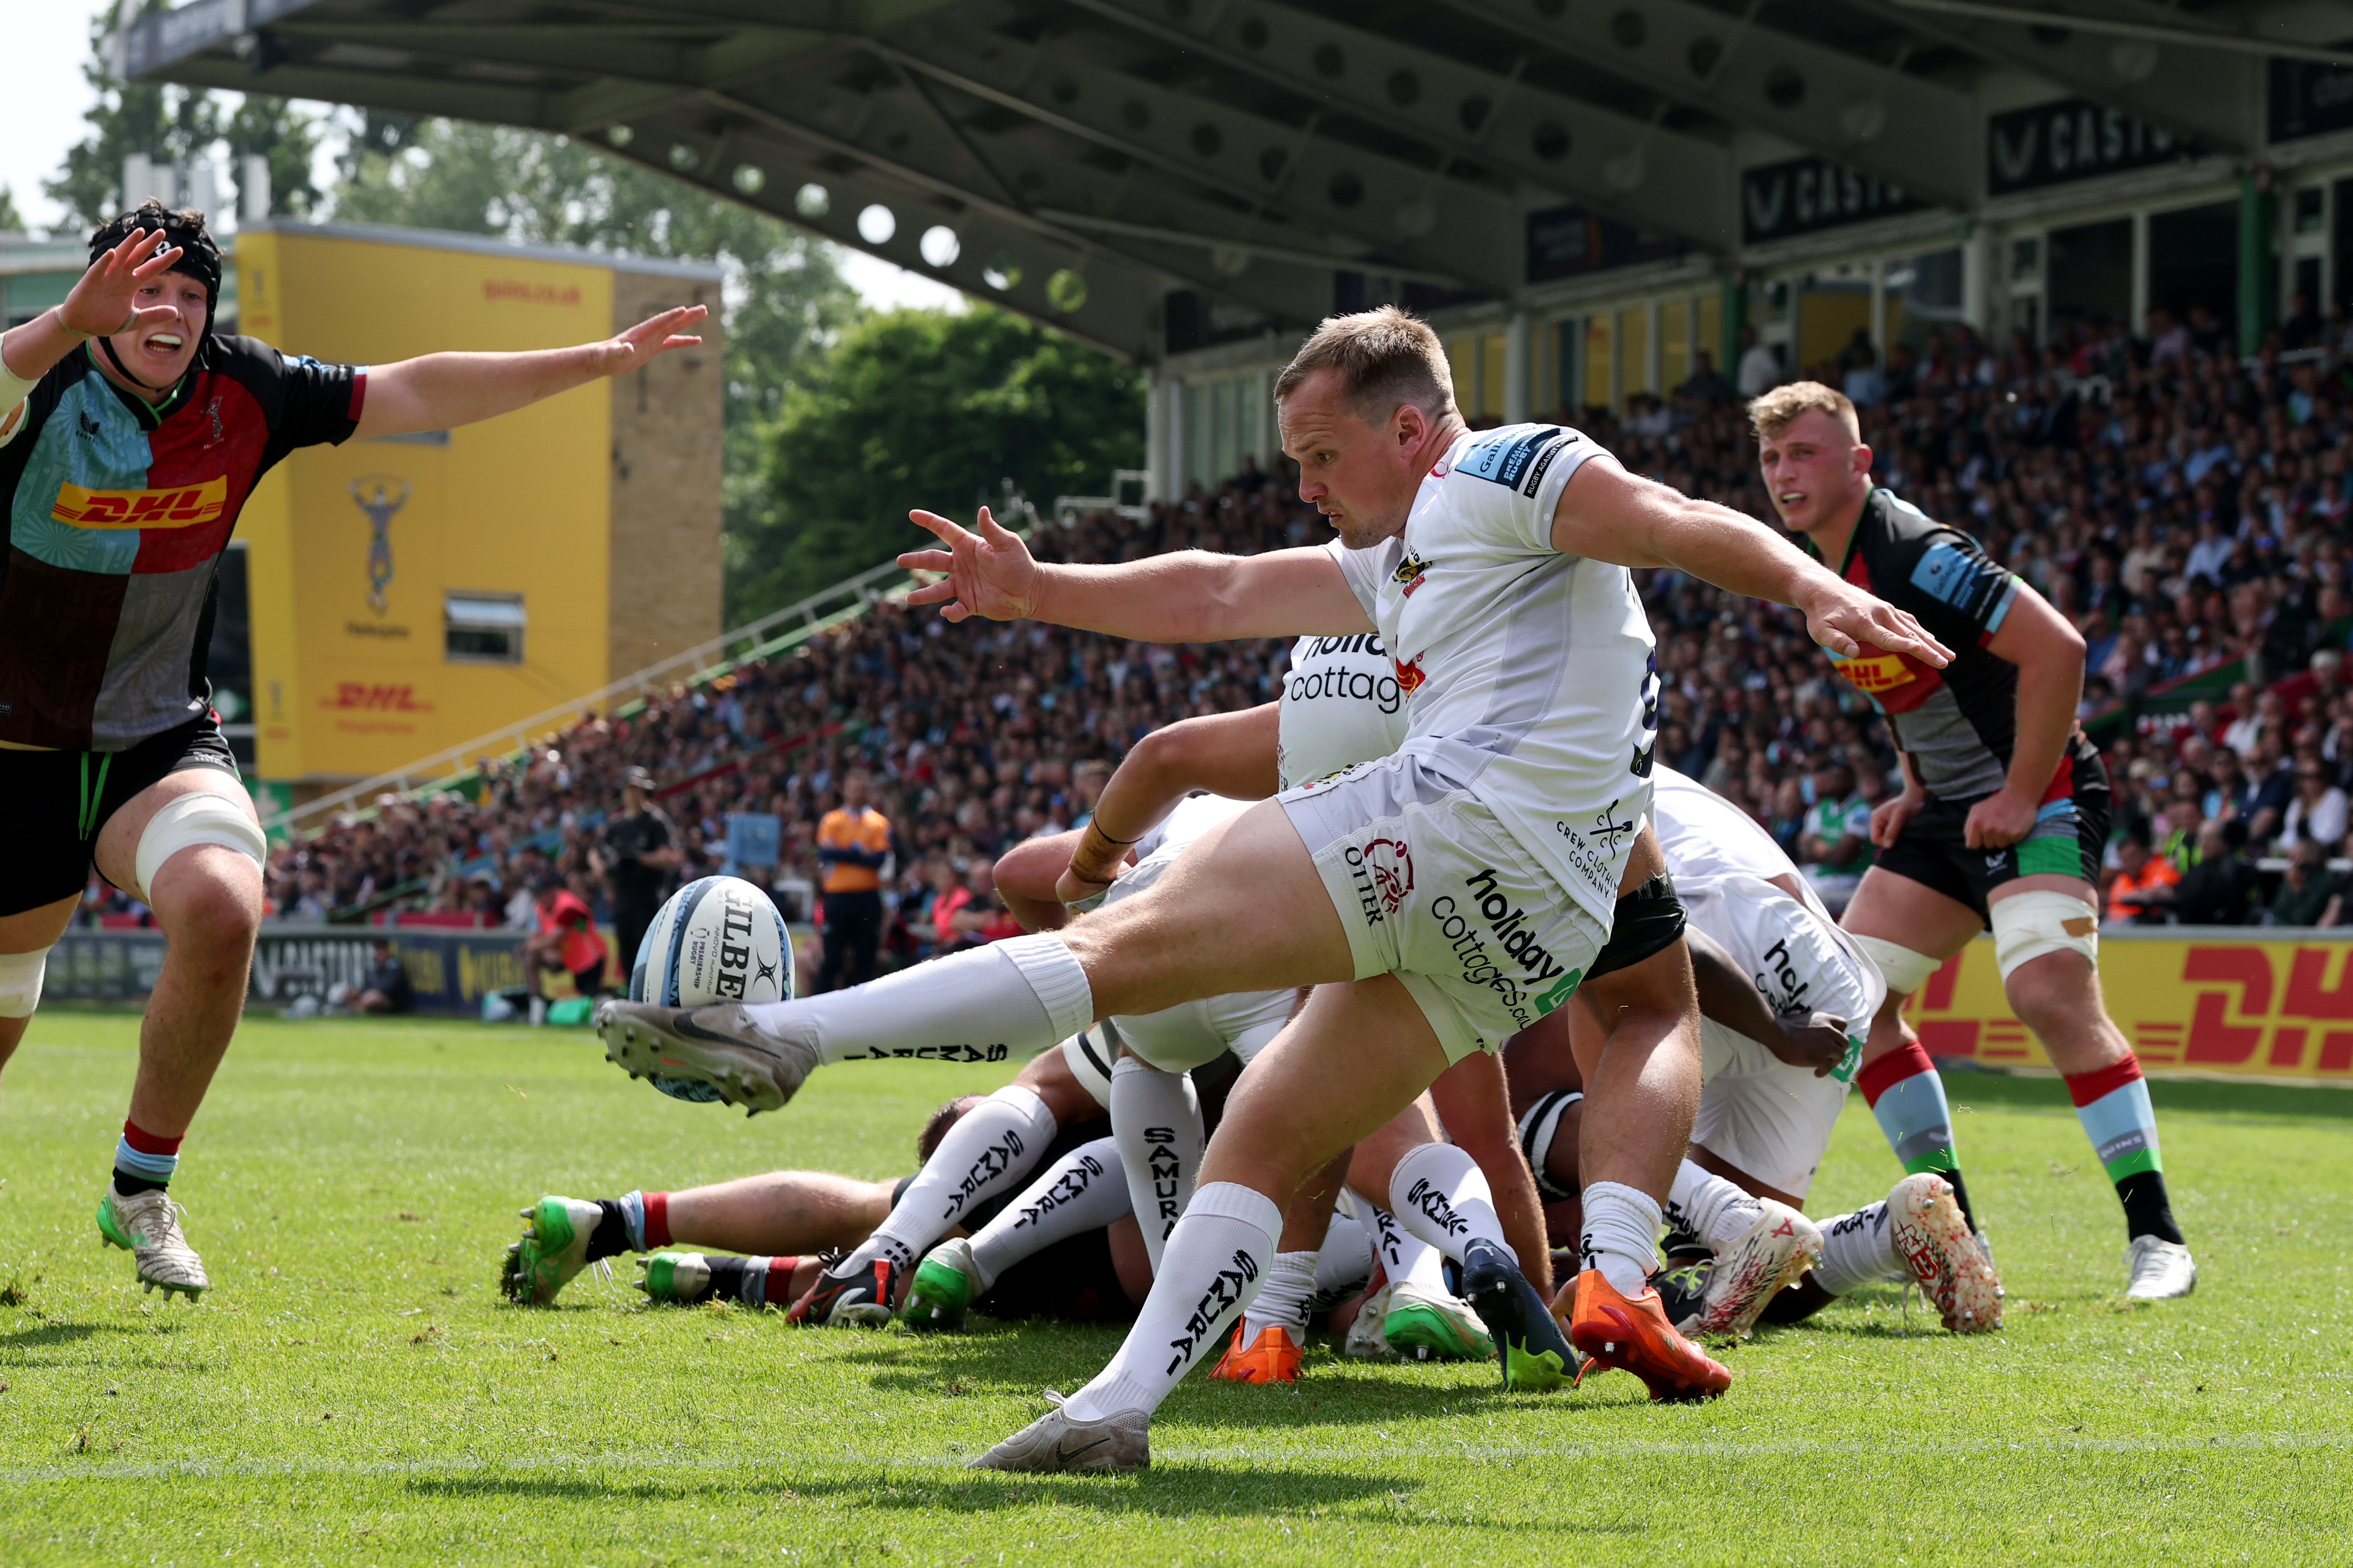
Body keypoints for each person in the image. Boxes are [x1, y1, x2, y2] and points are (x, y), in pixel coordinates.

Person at [600, 305, 1945, 1470]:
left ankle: (789, 1037)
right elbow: (1224, 587)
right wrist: (1037, 588)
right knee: (1262, 1137)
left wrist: (1805, 590)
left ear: (1411, 428)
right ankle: (1122, 1406)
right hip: (1531, 920)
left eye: (1320, 453)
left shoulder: (1500, 468)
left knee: (1127, 944)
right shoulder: (1404, 557)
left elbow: (1666, 517)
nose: (1306, 482)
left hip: (1468, 821)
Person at [0, 201, 704, 1300]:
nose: (169, 311)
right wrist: (54, 326)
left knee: (225, 904)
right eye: (142, 288)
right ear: (95, 297)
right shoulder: (36, 381)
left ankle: (142, 1188)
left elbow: (417, 387)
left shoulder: (248, 390)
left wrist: (596, 358)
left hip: (157, 739)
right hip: (15, 747)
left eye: (189, 294)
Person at [1753, 379, 2197, 1302]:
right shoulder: (1814, 573)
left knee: (2045, 989)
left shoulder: (1916, 550)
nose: (1783, 473)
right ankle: (1951, 1229)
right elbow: (1908, 685)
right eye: (1770, 457)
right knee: (1856, 1001)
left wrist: (2018, 789)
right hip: (1947, 810)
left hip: (2035, 795)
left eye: (1802, 452)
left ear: (1856, 463)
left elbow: (2058, 649)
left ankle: (2157, 1236)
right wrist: (1912, 785)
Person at [591, 766, 680, 985]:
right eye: (629, 789)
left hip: (649, 898)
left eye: (636, 789)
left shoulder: (656, 822)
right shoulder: (617, 825)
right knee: (627, 953)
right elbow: (595, 852)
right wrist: (602, 871)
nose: (632, 794)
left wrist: (638, 858)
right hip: (623, 899)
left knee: (648, 954)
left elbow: (669, 856)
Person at [815, 768, 892, 991]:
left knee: (865, 958)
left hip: (867, 898)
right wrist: (860, 853)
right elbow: (826, 853)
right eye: (853, 787)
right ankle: (820, 1005)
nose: (858, 792)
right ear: (845, 789)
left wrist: (845, 852)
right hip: (838, 896)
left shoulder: (879, 823)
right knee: (832, 957)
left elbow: (879, 859)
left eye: (862, 788)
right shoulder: (832, 820)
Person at [521, 880, 609, 1017]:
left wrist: (527, 947)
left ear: (553, 891)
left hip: (589, 957)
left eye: (541, 894)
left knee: (590, 994)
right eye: (536, 895)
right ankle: (537, 1004)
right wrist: (543, 949)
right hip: (565, 955)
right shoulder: (540, 907)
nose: (539, 899)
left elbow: (554, 938)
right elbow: (539, 936)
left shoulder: (569, 906)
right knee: (531, 958)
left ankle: (606, 1007)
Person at [2172, 818, 2259, 926]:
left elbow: (2206, 900)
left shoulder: (2234, 871)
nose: (2202, 844)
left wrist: (2176, 896)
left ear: (2224, 841)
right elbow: (2185, 887)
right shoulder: (2202, 866)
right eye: (2200, 838)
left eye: (2209, 839)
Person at [2267, 838, 2343, 927]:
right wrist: (2291, 888)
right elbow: (2276, 912)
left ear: (2311, 858)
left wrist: (2297, 890)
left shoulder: (2323, 882)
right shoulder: (2293, 878)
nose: (2293, 863)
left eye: (2296, 857)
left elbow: (2301, 918)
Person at [353, 939, 414, 1015]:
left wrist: (374, 992)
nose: (380, 953)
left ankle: (357, 1010)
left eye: (383, 950)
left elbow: (391, 988)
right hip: (370, 996)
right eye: (378, 950)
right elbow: (365, 986)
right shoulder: (373, 967)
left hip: (392, 1002)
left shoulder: (395, 967)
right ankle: (357, 1008)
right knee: (351, 994)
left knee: (374, 998)